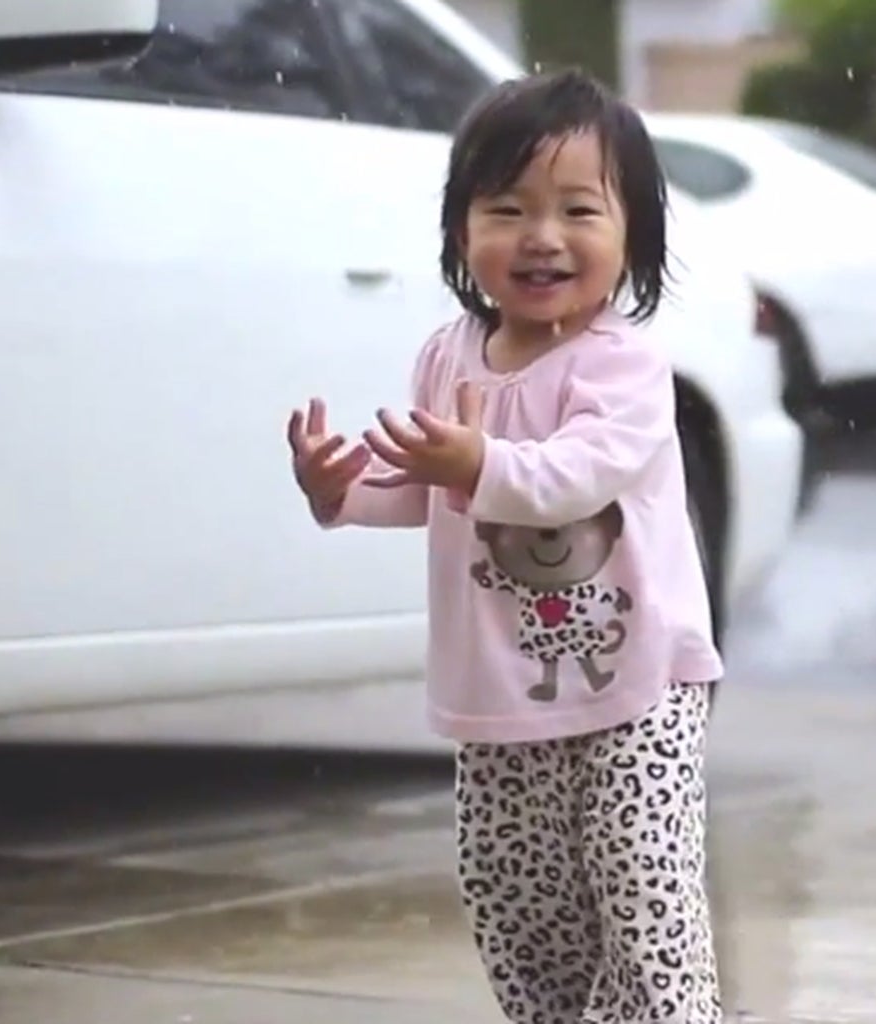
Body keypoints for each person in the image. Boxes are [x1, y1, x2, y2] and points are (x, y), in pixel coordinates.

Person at [282, 68, 723, 1024]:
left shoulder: (625, 364)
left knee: (641, 887)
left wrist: (476, 459)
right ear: (460, 231)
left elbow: (573, 476)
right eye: (507, 208)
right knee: (520, 902)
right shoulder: (448, 356)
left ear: (634, 236)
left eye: (579, 210)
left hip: (638, 681)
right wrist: (342, 489)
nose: (542, 237)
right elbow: (433, 489)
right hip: (502, 691)